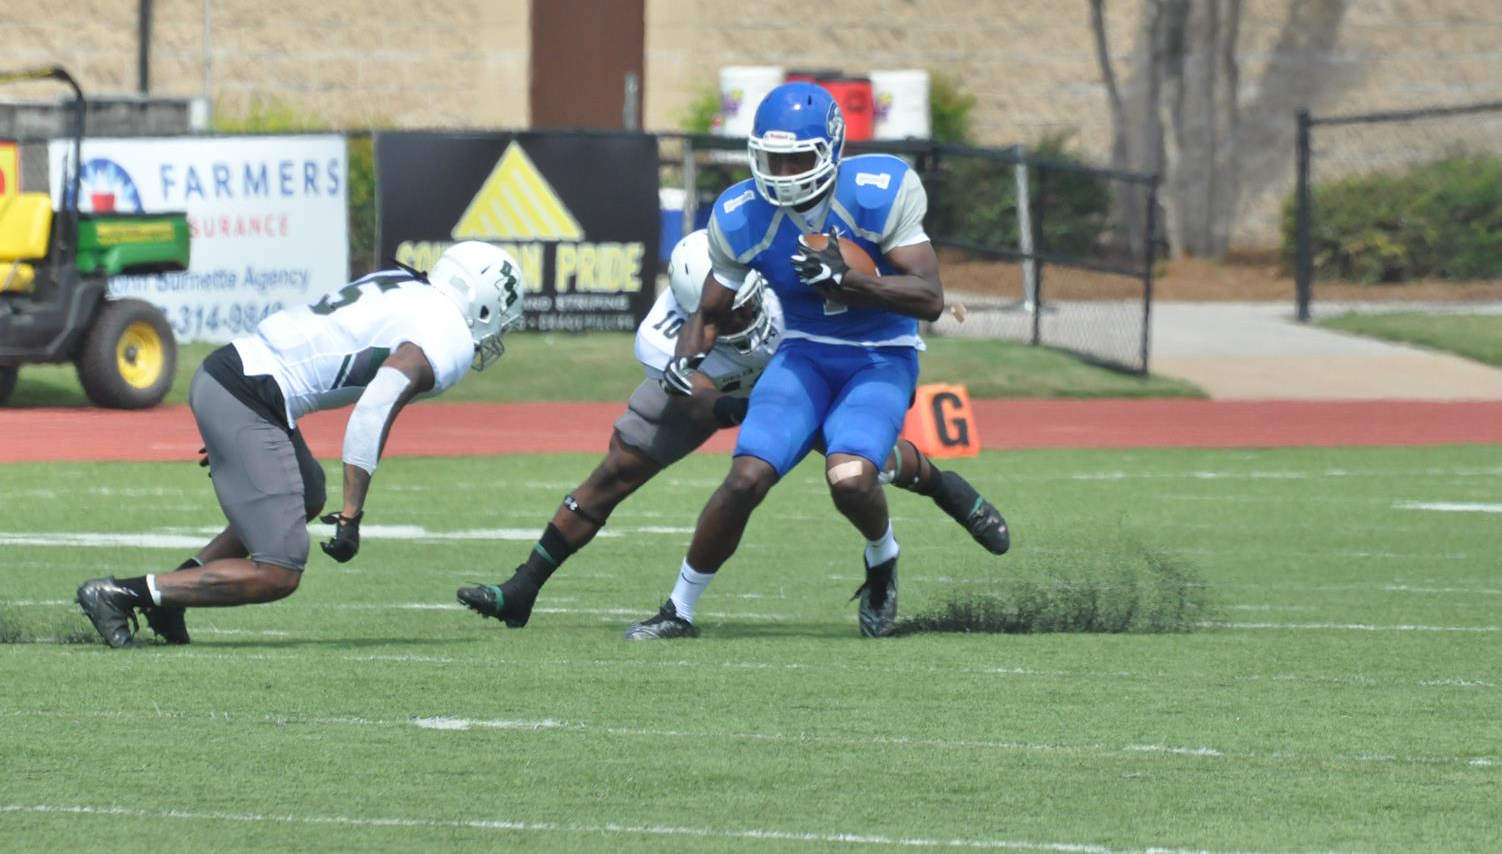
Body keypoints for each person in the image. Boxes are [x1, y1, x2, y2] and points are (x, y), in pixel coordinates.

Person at [455, 230, 1008, 630]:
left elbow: (862, 289)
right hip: (714, 392)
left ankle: (943, 486)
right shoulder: (660, 334)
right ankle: (522, 589)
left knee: (865, 463)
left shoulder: (779, 281)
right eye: (723, 318)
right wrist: (739, 411)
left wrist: (905, 295)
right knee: (616, 471)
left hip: (795, 370)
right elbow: (697, 398)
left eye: (741, 311)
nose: (738, 324)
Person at [624, 80, 969, 641]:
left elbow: (928, 298)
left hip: (880, 354)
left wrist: (852, 281)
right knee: (745, 477)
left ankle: (883, 559)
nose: (782, 172)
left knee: (852, 479)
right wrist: (685, 363)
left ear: (830, 150)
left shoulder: (879, 189)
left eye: (795, 158)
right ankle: (678, 610)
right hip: (804, 351)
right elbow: (710, 312)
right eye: (771, 158)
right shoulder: (742, 214)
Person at [74, 241, 526, 649]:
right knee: (279, 569)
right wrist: (351, 515)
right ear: (483, 302)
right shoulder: (447, 332)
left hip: (240, 374)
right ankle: (124, 593)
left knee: (308, 492)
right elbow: (374, 408)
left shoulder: (402, 284)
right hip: (248, 393)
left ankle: (168, 598)